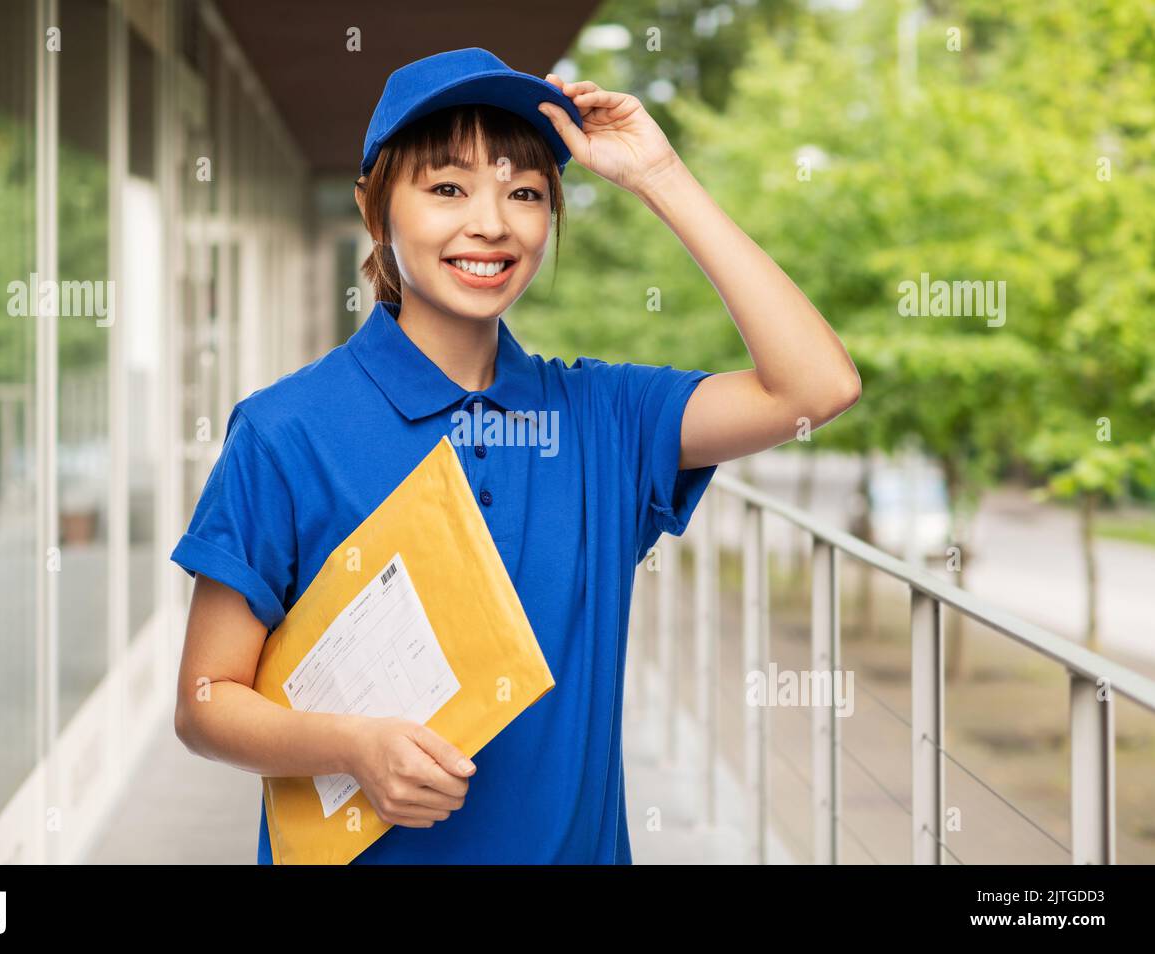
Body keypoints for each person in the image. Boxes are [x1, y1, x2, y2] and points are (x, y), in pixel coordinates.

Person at [170, 47, 860, 864]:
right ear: (374, 205)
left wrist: (660, 175)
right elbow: (207, 700)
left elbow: (815, 388)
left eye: (525, 193)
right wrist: (353, 746)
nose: (491, 223)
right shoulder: (287, 431)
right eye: (447, 188)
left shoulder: (606, 418)